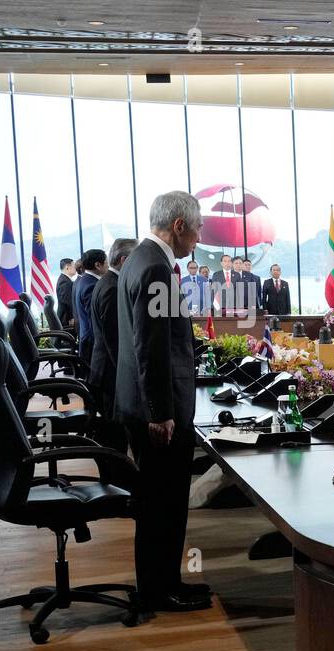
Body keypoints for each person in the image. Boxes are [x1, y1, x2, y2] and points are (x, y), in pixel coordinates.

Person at [114, 190, 212, 613]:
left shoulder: (139, 259)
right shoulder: (156, 268)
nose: (200, 234)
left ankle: (159, 584)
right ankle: (161, 589)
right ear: (179, 226)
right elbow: (150, 347)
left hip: (141, 402)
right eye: (198, 226)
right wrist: (161, 413)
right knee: (165, 503)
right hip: (157, 408)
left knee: (158, 502)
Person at [87, 237, 135, 452]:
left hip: (104, 368)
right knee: (116, 439)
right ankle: (118, 484)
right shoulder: (113, 288)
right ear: (124, 261)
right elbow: (115, 340)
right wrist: (130, 376)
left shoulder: (106, 281)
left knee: (115, 437)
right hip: (111, 373)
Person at [74, 249, 107, 368]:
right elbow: (93, 318)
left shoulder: (84, 280)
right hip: (92, 343)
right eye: (107, 262)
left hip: (87, 339)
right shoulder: (91, 285)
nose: (108, 265)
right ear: (98, 265)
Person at [55, 258, 75, 331]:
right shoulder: (65, 282)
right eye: (73, 266)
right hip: (66, 319)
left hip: (66, 317)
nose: (75, 268)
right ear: (67, 267)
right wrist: (71, 317)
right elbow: (67, 301)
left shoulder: (65, 279)